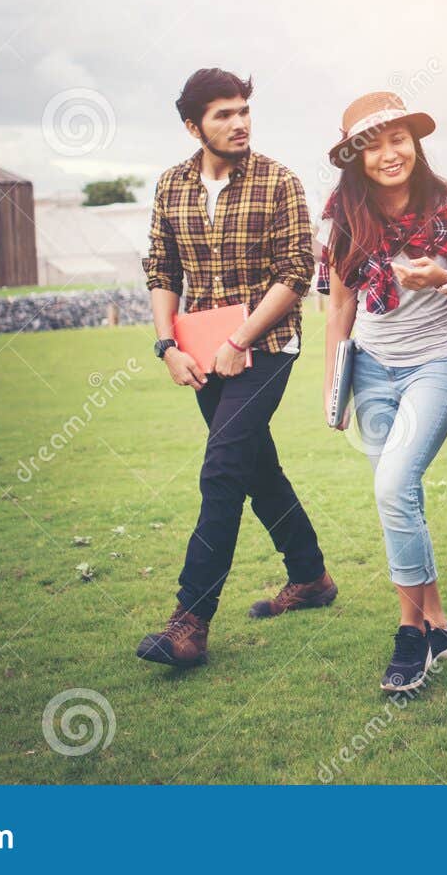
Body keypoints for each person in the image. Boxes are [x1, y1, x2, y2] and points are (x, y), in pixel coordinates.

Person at [136, 67, 337, 668]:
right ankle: (311, 575)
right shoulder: (171, 186)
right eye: (224, 113)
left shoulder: (279, 182)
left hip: (268, 346)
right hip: (201, 350)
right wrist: (167, 346)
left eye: (244, 109)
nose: (239, 121)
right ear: (193, 125)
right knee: (255, 467)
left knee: (222, 469)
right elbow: (162, 271)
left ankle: (189, 623)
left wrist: (240, 339)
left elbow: (295, 274)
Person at [318, 91, 447, 693]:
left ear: (415, 142)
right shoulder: (342, 213)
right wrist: (332, 384)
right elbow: (340, 303)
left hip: (438, 363)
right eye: (373, 145)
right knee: (402, 494)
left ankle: (410, 633)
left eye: (398, 138)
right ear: (355, 158)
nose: (390, 153)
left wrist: (443, 279)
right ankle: (440, 625)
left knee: (392, 484)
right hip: (370, 367)